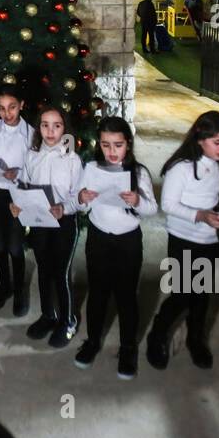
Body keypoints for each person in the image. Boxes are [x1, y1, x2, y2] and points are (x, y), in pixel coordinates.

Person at [146, 111, 219, 371]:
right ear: (200, 139)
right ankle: (157, 335)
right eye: (218, 143)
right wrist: (199, 215)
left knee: (202, 296)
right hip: (184, 240)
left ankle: (195, 339)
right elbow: (167, 204)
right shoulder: (182, 168)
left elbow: (217, 199)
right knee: (182, 294)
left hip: (212, 241)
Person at [74, 116, 157, 379]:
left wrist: (137, 200)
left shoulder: (139, 172)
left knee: (126, 296)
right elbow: (80, 204)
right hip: (99, 238)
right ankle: (92, 340)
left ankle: (128, 347)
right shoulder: (91, 168)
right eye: (106, 144)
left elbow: (152, 209)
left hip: (128, 241)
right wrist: (82, 198)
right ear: (99, 144)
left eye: (118, 145)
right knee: (97, 292)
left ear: (128, 144)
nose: (112, 151)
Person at [10, 106, 83, 349]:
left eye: (57, 125)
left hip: (63, 223)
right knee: (44, 269)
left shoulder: (72, 159)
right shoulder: (31, 155)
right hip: (39, 221)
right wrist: (18, 205)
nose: (50, 131)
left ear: (65, 128)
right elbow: (24, 185)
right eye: (44, 125)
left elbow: (79, 198)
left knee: (61, 273)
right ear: (38, 128)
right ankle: (48, 315)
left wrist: (64, 208)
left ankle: (68, 320)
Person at [0, 85, 32, 315]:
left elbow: (33, 167)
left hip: (17, 194)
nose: (7, 113)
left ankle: (20, 290)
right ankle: (5, 284)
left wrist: (17, 173)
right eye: (1, 109)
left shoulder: (30, 133)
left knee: (14, 243)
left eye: (11, 107)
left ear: (21, 105)